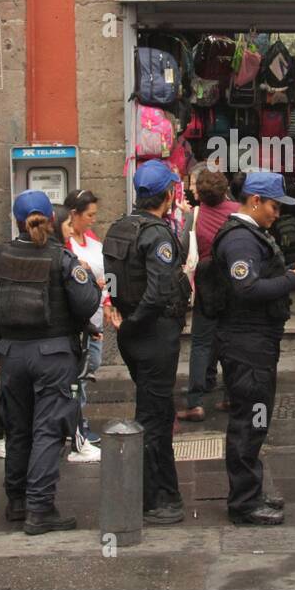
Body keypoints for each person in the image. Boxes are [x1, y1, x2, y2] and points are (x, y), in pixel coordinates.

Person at [0, 190, 101, 534]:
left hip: (13, 355)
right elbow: (87, 303)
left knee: (18, 430)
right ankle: (40, 508)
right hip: (54, 356)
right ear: (51, 219)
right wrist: (87, 274)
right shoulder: (62, 259)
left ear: (15, 221)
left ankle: (17, 503)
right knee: (48, 430)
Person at [206, 171, 295, 525]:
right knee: (248, 423)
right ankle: (244, 503)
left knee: (255, 421)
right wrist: (290, 281)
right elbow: (247, 289)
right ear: (254, 200)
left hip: (254, 342)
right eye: (273, 206)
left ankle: (251, 491)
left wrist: (290, 270)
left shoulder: (250, 236)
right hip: (246, 344)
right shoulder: (240, 240)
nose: (277, 214)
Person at [103, 160, 193, 525]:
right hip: (152, 333)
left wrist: (119, 314)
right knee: (154, 417)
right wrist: (134, 324)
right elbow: (158, 292)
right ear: (169, 194)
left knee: (155, 410)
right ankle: (156, 498)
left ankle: (160, 492)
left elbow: (109, 279)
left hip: (134, 332)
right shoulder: (155, 235)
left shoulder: (117, 229)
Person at [178, 166, 240, 421]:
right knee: (231, 342)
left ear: (200, 195)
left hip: (206, 284)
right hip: (234, 284)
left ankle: (195, 402)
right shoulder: (238, 212)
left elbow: (183, 248)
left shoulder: (195, 215)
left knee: (201, 343)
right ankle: (230, 397)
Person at [60, 188, 106, 463]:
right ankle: (77, 425)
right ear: (73, 214)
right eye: (89, 215)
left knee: (90, 367)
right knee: (79, 373)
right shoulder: (65, 244)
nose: (92, 220)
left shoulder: (91, 238)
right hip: (79, 321)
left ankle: (76, 420)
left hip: (97, 313)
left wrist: (109, 302)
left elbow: (106, 272)